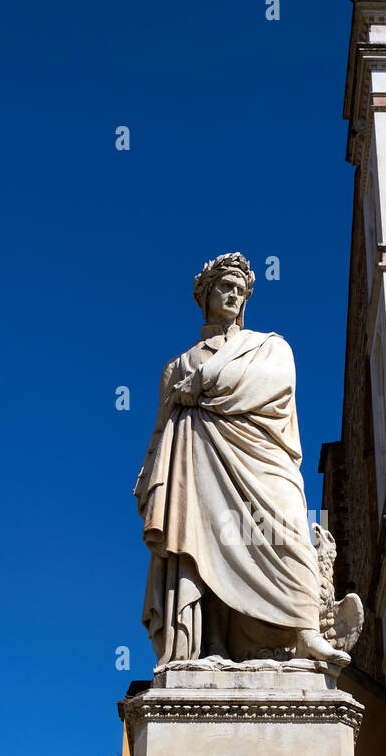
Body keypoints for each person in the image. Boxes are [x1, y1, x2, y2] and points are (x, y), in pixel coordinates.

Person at [134, 252, 348, 668]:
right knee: (203, 541)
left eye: (239, 289)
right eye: (223, 287)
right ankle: (211, 644)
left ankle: (305, 630)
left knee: (289, 533)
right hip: (198, 459)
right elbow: (162, 428)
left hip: (264, 458)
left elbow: (276, 384)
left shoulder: (269, 347)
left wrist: (202, 385)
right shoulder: (176, 366)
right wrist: (151, 474)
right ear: (206, 295)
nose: (232, 295)